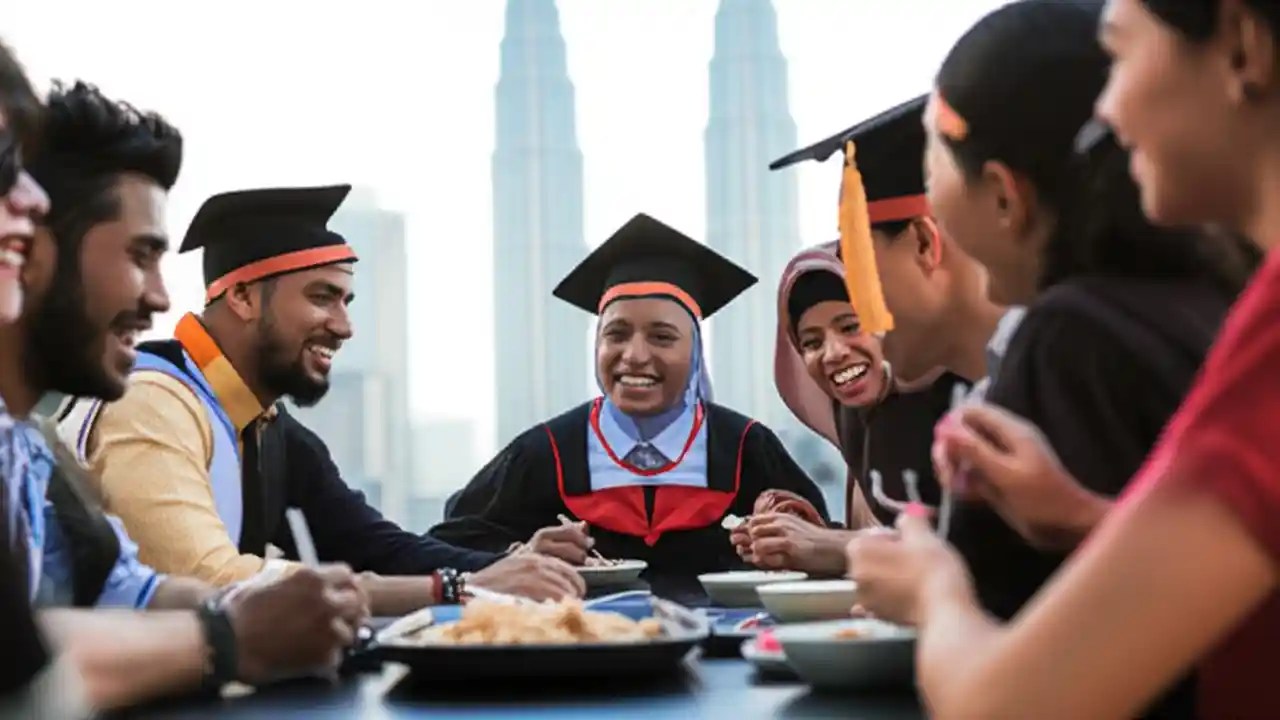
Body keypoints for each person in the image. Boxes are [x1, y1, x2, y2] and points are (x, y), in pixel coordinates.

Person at [847, 0, 1280, 716]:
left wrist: (934, 588)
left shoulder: (1073, 333)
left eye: (1122, 53)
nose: (1103, 114)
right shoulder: (1233, 307)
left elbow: (1006, 705)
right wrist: (1087, 518)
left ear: (1239, 48)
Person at [1, 76, 360, 711]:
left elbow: (132, 591)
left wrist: (294, 608)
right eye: (141, 257)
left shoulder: (31, 448)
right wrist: (228, 637)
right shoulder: (153, 398)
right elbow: (18, 661)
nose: (160, 298)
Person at [58, 180, 584, 612]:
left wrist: (508, 566)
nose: (344, 326)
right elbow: (209, 579)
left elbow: (372, 544)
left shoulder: (265, 426)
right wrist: (454, 588)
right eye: (321, 297)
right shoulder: (150, 401)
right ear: (240, 295)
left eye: (346, 301)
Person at [431, 213, 830, 602]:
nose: (635, 355)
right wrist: (520, 554)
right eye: (616, 335)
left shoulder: (744, 447)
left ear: (695, 354)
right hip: (583, 654)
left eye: (662, 337)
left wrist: (778, 545)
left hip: (726, 655)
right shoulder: (547, 451)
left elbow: (818, 549)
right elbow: (451, 544)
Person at [734, 96, 1011, 572]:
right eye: (811, 341)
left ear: (926, 243)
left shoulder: (1061, 372)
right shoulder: (1004, 378)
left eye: (861, 272)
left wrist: (837, 550)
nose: (864, 312)